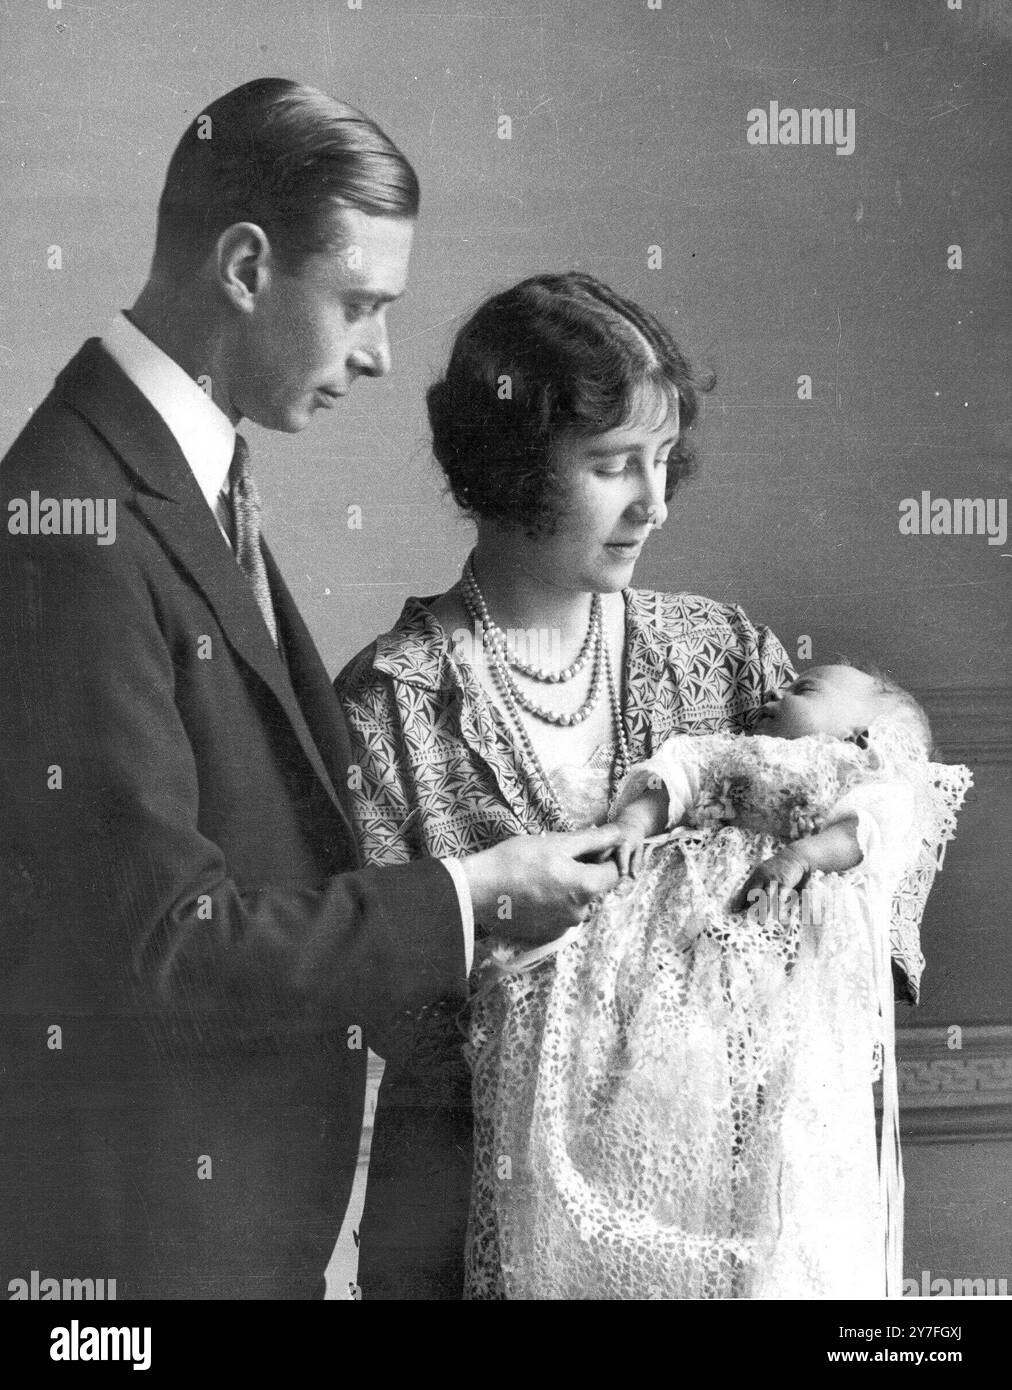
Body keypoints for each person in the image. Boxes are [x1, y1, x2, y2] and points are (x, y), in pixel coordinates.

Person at [0, 81, 622, 1300]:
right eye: (360, 305)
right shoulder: (71, 518)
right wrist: (468, 897)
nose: (383, 353)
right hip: (138, 1260)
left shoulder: (182, 475)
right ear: (244, 266)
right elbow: (166, 945)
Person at [335, 270, 800, 1298]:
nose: (655, 502)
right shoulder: (389, 707)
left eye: (664, 460)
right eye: (610, 465)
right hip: (466, 1240)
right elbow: (368, 999)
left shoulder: (728, 660)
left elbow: (855, 872)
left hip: (706, 1234)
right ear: (510, 468)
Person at [465, 664, 971, 1298]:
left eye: (804, 691)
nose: (773, 693)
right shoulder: (736, 751)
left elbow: (862, 834)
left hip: (774, 934)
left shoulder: (862, 777)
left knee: (763, 1090)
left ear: (867, 735)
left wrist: (796, 858)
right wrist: (632, 826)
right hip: (670, 918)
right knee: (649, 1039)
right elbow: (679, 778)